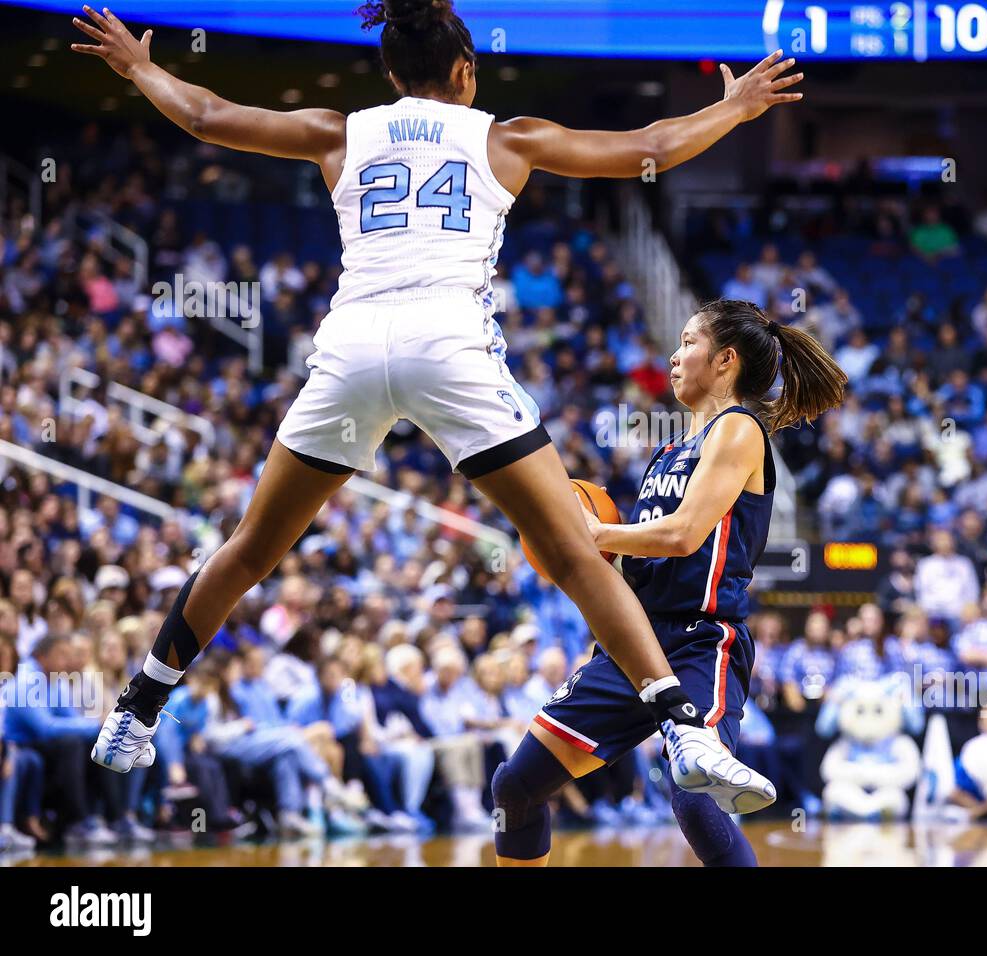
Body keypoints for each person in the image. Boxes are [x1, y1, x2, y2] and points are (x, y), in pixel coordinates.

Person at [73, 1, 803, 814]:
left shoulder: (340, 129)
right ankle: (680, 723)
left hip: (351, 348)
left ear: (390, 75)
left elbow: (207, 116)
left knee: (249, 548)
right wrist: (735, 107)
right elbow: (643, 151)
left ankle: (138, 706)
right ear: (465, 70)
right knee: (570, 551)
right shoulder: (504, 136)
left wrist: (139, 69)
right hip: (447, 346)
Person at [490, 300, 846, 866]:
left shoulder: (739, 430)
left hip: (699, 642)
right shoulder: (668, 452)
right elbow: (644, 558)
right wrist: (580, 561)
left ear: (725, 360)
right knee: (515, 788)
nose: (674, 358)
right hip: (632, 644)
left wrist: (595, 534)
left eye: (687, 344)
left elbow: (682, 536)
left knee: (696, 798)